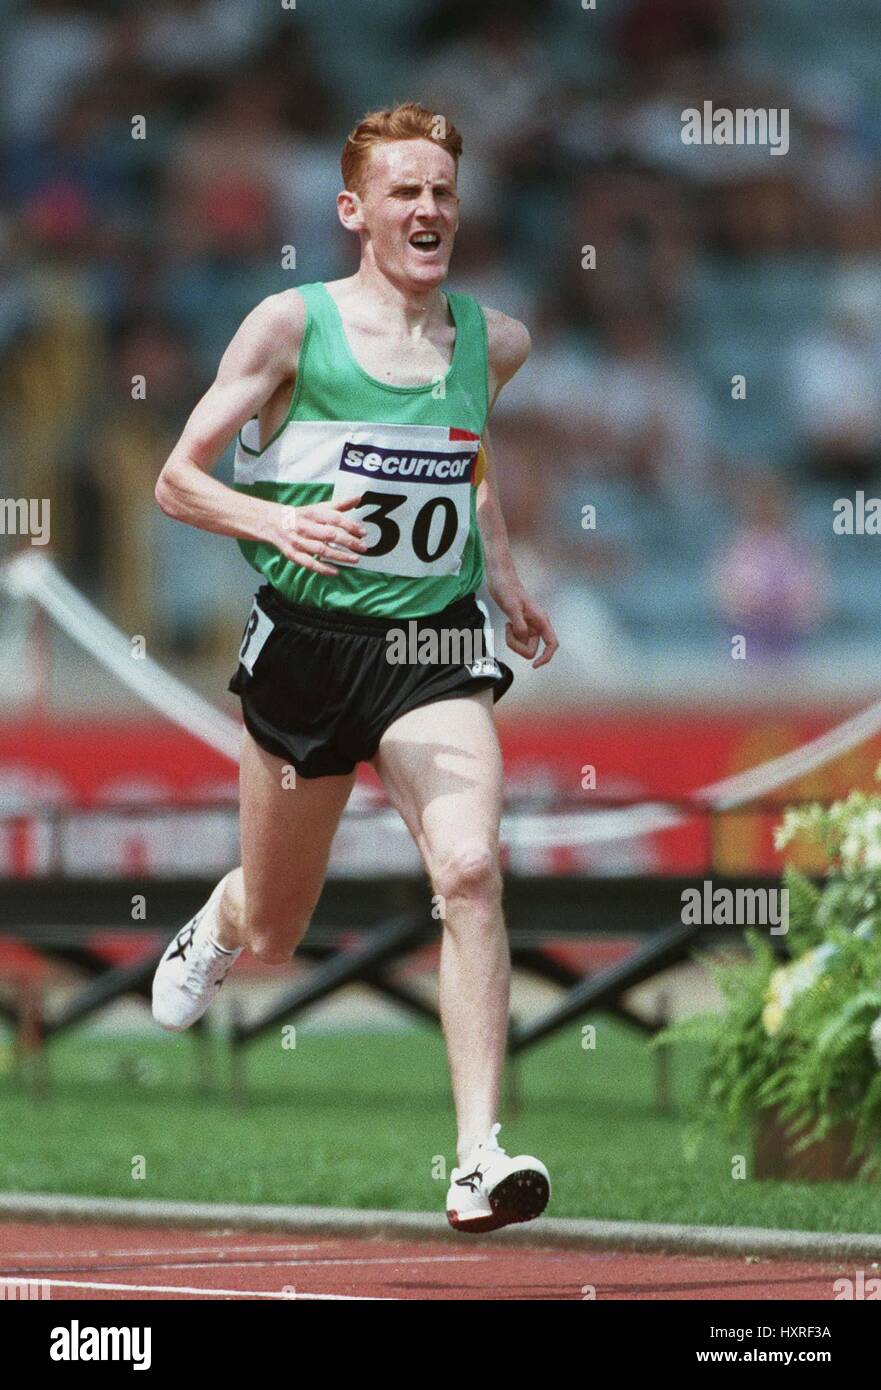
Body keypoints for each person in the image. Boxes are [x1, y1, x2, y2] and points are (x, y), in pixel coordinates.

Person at [151, 102, 558, 1233]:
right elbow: (175, 480)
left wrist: (504, 576)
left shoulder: (495, 339)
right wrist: (275, 524)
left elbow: (464, 455)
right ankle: (222, 920)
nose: (426, 210)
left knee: (471, 867)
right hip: (303, 647)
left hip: (429, 649)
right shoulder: (289, 328)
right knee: (280, 925)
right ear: (353, 211)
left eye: (441, 192)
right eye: (402, 192)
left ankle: (476, 1155)